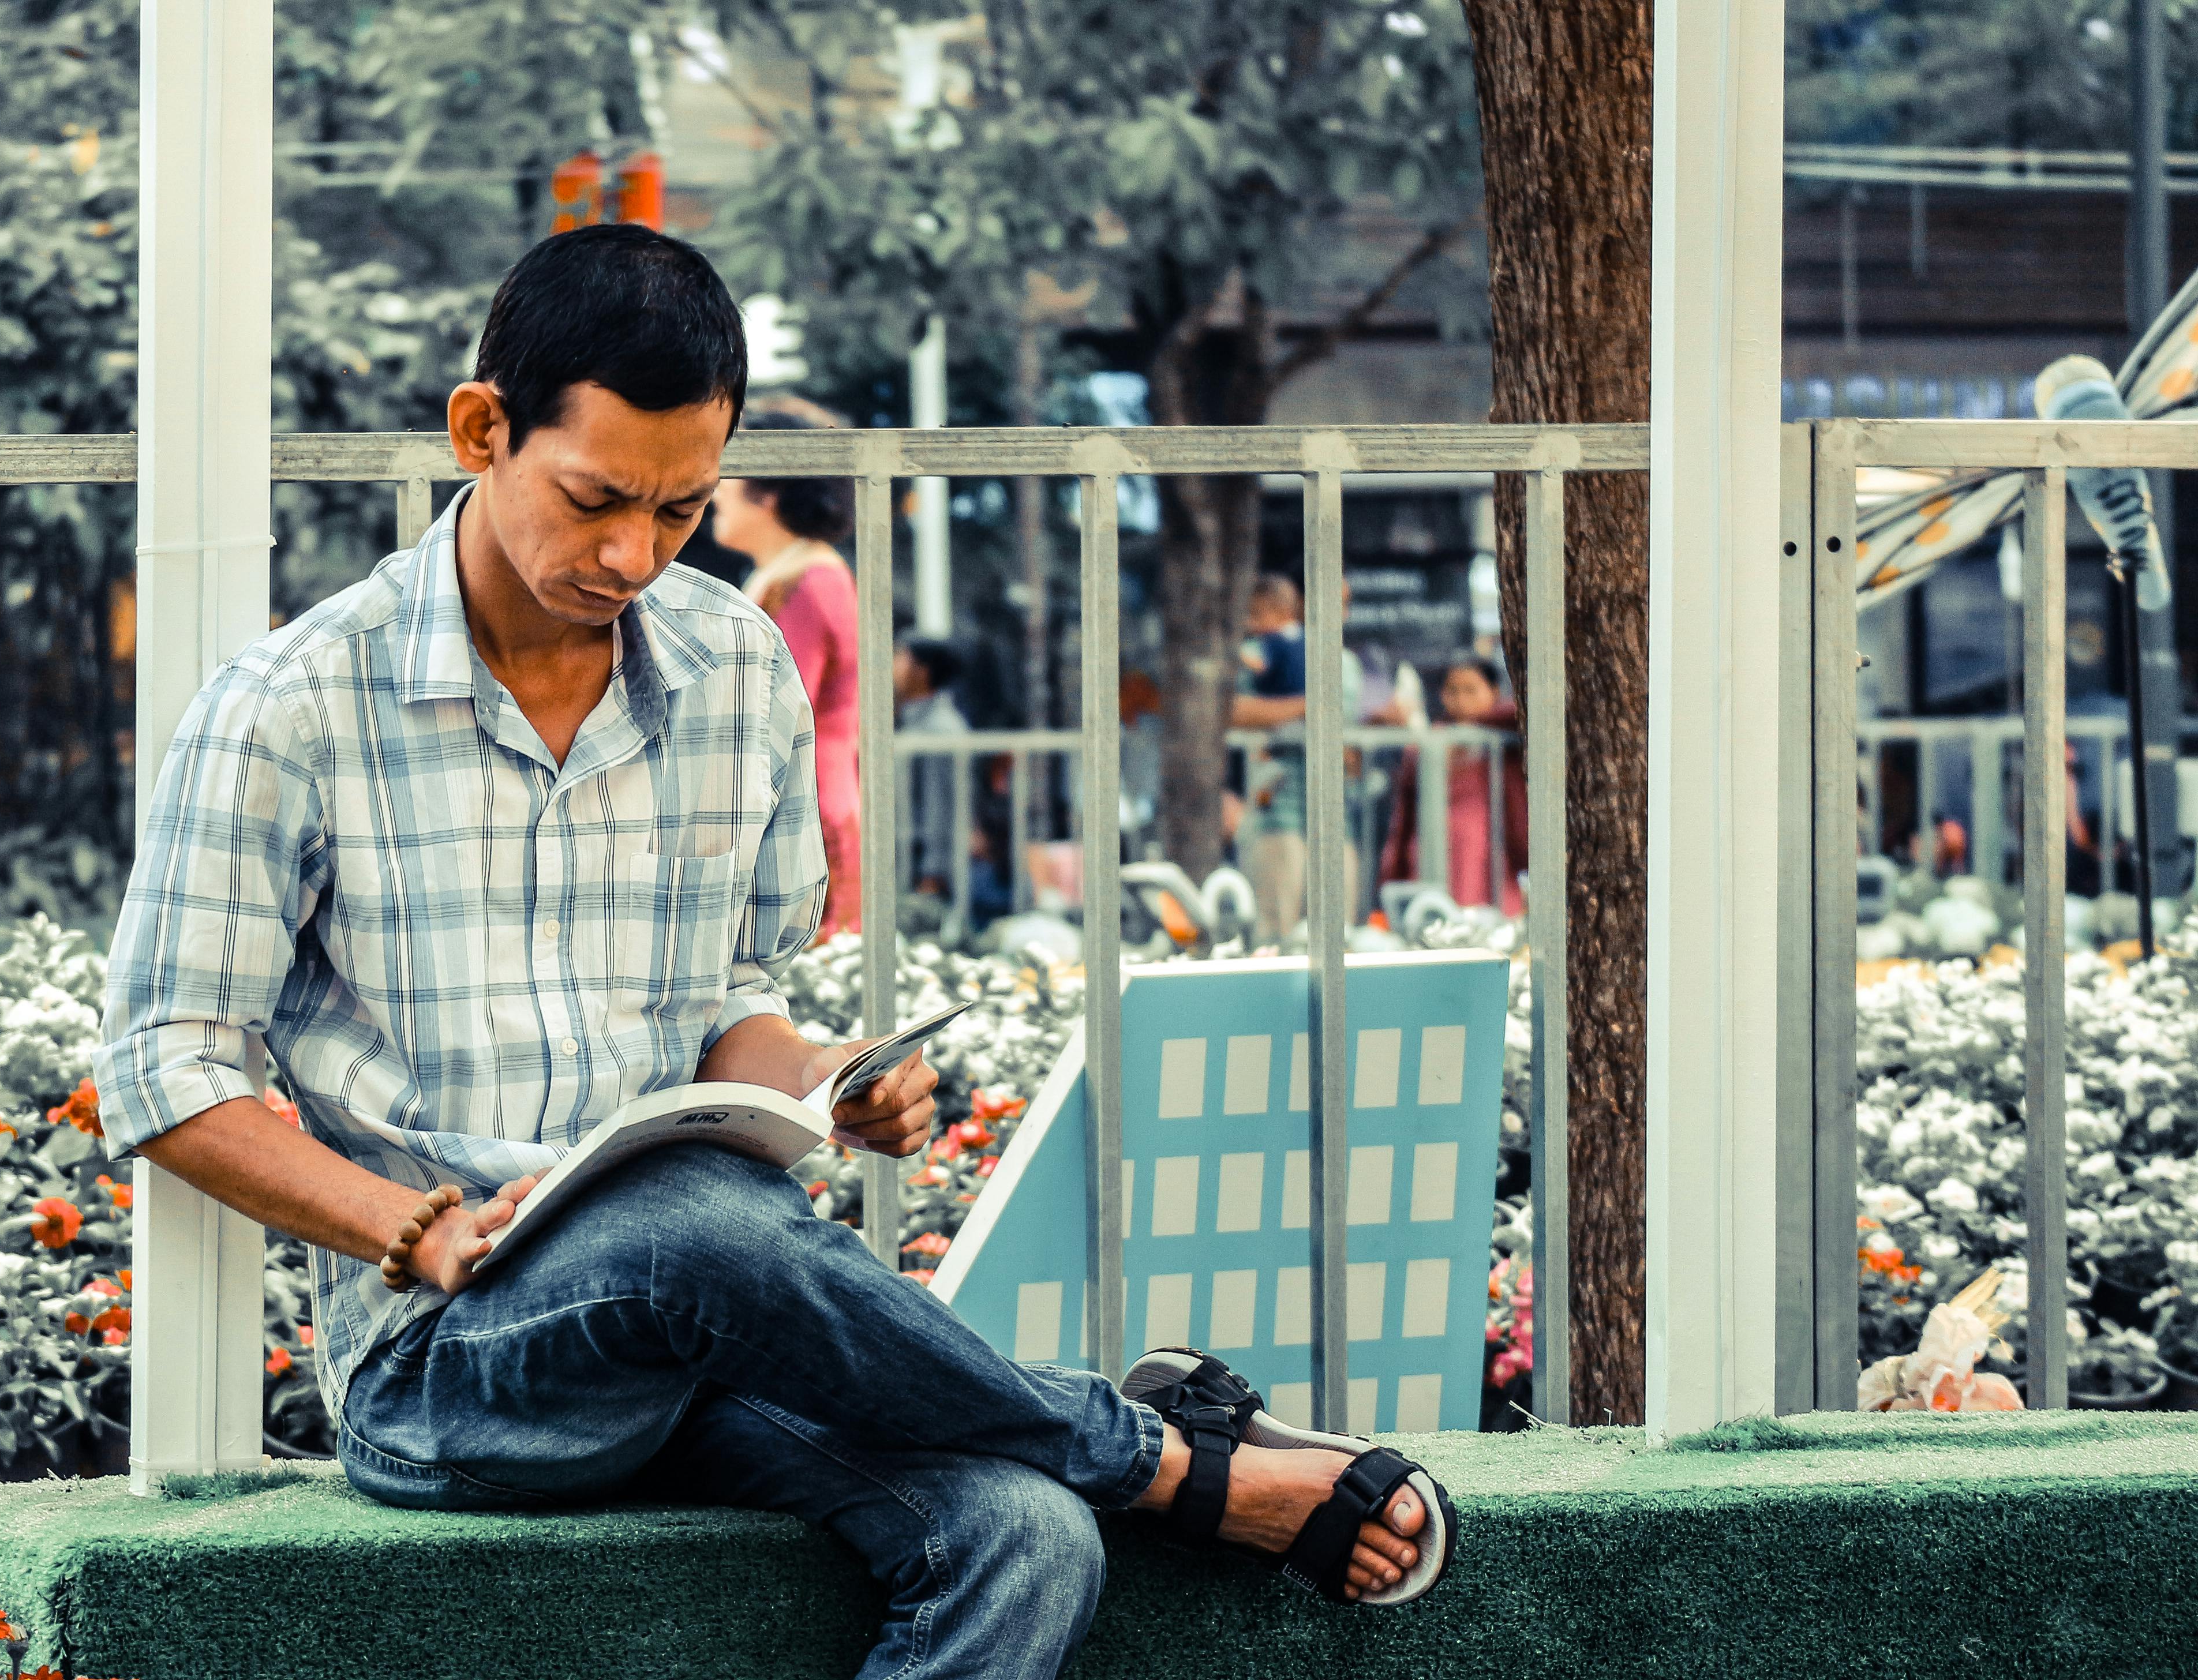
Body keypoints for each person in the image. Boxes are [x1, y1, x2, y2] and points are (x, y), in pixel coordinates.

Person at [98, 225, 1448, 1680]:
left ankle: (1103, 1471)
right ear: (480, 432)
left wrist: (818, 1083)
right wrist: (404, 1225)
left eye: (679, 510)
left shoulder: (733, 663)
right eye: (595, 499)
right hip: (453, 1358)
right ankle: (1170, 1465)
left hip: (705, 1340)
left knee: (1022, 1538)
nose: (630, 554)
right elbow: (162, 1067)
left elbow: (730, 1007)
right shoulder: (289, 706)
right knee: (688, 1214)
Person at [712, 399, 861, 936]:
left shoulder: (806, 582)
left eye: (729, 468)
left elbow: (767, 719)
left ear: (769, 489)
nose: (715, 486)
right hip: (806, 812)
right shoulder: (796, 573)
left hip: (801, 823)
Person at [1230, 574, 1362, 946]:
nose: (1340, 612)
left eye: (1345, 604)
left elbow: (1345, 723)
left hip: (1335, 810)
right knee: (1277, 930)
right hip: (1278, 808)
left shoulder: (1346, 662)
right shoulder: (1268, 649)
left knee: (1338, 934)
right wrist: (1310, 705)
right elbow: (1238, 710)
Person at [1377, 654, 1528, 914]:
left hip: (1486, 853)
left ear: (1494, 692)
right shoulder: (1428, 742)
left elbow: (1520, 712)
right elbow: (1405, 813)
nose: (1461, 699)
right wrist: (1394, 868)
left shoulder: (1503, 738)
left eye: (1471, 690)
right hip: (1431, 849)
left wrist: (1471, 727)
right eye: (1453, 690)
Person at [895, 635, 971, 903]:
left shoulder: (938, 729)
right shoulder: (918, 722)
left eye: (900, 658)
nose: (893, 667)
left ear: (922, 671)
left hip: (925, 873)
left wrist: (934, 870)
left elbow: (942, 803)